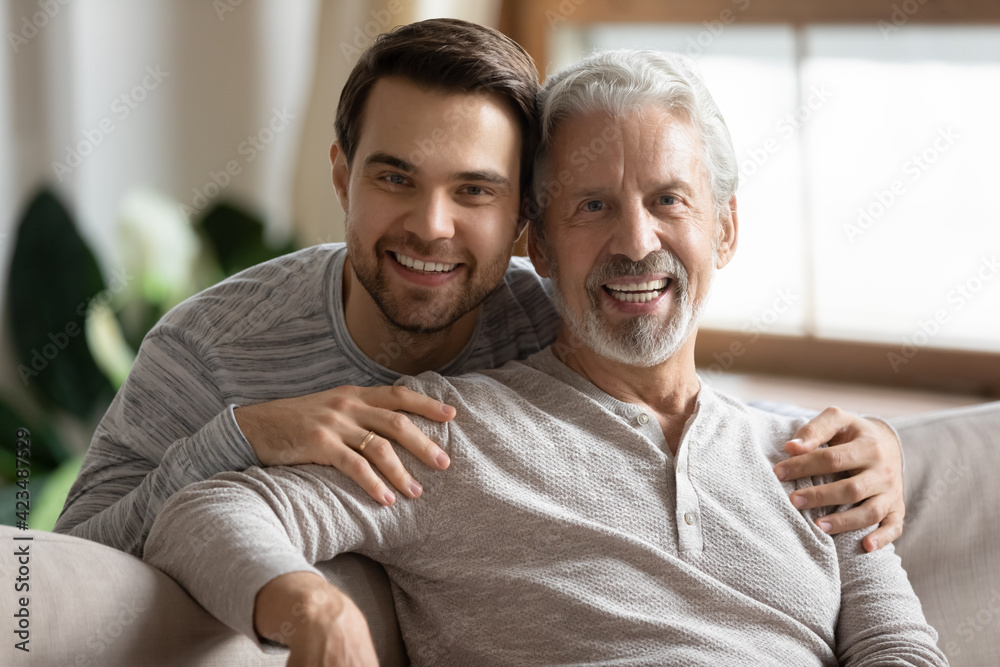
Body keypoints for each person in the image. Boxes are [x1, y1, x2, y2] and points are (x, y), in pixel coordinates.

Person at [143, 49, 946, 666]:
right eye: (593, 206)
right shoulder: (449, 432)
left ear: (724, 230)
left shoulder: (818, 458)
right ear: (540, 246)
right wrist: (312, 609)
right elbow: (202, 512)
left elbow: (903, 651)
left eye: (669, 200)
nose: (636, 242)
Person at [56, 18, 904, 560]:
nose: (432, 225)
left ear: (525, 223)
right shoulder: (209, 341)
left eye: (475, 190)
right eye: (395, 178)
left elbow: (686, 415)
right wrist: (243, 432)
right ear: (342, 177)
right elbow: (58, 575)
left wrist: (880, 448)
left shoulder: (559, 313)